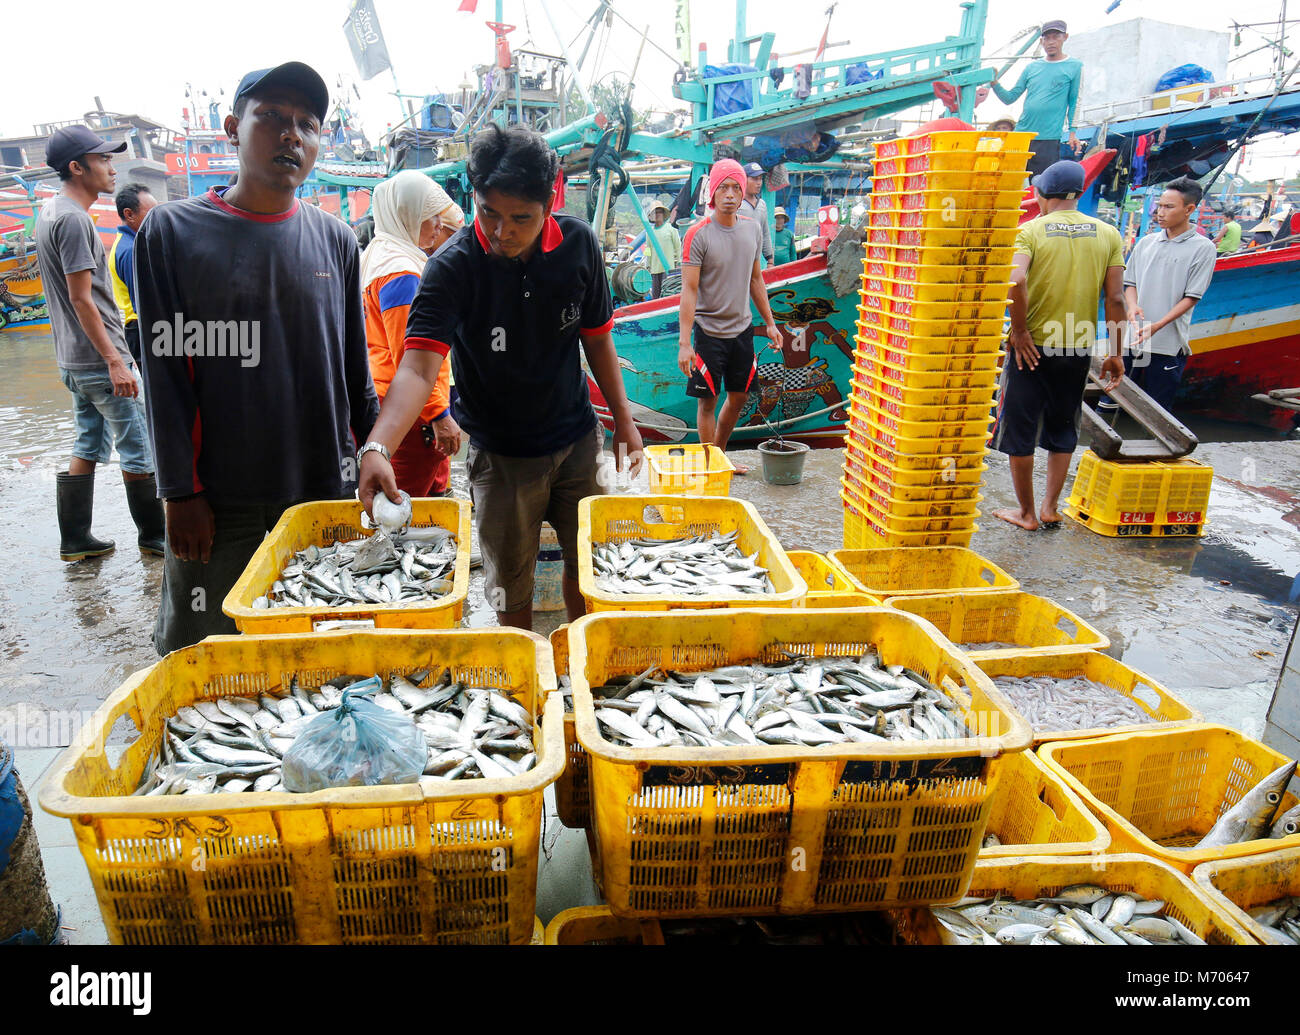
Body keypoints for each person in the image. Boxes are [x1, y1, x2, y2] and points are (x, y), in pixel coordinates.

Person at [356, 123, 644, 631]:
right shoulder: (451, 268)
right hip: (502, 458)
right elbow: (419, 366)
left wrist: (623, 419)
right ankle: (524, 680)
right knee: (511, 587)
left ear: (549, 205)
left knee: (591, 571)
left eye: (521, 219)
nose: (501, 231)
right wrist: (377, 447)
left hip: (577, 440)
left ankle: (581, 664)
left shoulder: (578, 246)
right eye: (489, 212)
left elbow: (597, 337)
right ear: (474, 198)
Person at [135, 61, 379, 655]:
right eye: (270, 117)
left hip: (321, 483)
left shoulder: (336, 239)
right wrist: (179, 492)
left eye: (307, 124)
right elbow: (165, 377)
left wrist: (373, 450)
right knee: (203, 644)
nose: (291, 134)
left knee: (314, 639)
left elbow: (353, 367)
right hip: (222, 497)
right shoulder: (172, 233)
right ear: (232, 128)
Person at [34, 126, 166, 563]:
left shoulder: (51, 211)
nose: (112, 168)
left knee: (87, 444)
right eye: (104, 160)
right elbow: (80, 297)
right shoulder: (73, 220)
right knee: (137, 444)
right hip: (98, 359)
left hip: (72, 359)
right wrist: (115, 360)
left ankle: (75, 540)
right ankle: (154, 535)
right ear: (77, 167)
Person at [991, 160, 1125, 531]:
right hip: (1076, 348)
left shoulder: (1029, 231)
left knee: (1020, 430)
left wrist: (1018, 331)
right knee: (1064, 427)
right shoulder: (1108, 234)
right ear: (1079, 194)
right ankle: (1050, 508)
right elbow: (1116, 299)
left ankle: (1027, 513)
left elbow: (1015, 281)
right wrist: (1115, 352)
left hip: (1031, 349)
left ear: (1040, 195)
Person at [677, 158, 785, 474]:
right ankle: (710, 467)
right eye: (723, 186)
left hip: (742, 331)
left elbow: (755, 280)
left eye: (736, 187)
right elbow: (689, 291)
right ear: (713, 191)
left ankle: (720, 458)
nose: (729, 193)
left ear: (742, 193)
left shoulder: (751, 230)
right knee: (707, 402)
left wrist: (770, 323)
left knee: (738, 397)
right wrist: (685, 343)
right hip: (708, 332)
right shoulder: (697, 235)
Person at [361, 171, 464, 497]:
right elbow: (410, 358)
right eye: (429, 215)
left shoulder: (379, 254)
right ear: (406, 214)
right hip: (410, 413)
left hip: (391, 401)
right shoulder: (401, 272)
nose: (437, 223)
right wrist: (439, 414)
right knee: (407, 507)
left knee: (426, 502)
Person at [1119, 177, 1218, 413]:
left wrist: (1158, 325)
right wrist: (1132, 306)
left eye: (1168, 207)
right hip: (1131, 340)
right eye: (1160, 206)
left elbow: (1191, 297)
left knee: (1157, 413)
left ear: (1189, 209)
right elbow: (1129, 283)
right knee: (1113, 404)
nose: (1160, 213)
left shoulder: (1203, 248)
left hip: (1167, 344)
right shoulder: (1146, 243)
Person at [989, 20, 1083, 176]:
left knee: (1041, 187)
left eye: (1055, 37)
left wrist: (1073, 133)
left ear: (1065, 37)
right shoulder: (1032, 67)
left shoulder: (1075, 66)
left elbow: (1074, 101)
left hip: (1048, 138)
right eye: (1047, 38)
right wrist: (994, 83)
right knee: (1009, 181)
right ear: (1041, 41)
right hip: (1021, 136)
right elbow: (1009, 98)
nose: (1051, 42)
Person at [108, 183, 157, 367]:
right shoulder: (130, 250)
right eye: (151, 213)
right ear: (129, 214)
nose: (156, 218)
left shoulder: (128, 243)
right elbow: (142, 303)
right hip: (142, 329)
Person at [645, 201, 681, 299]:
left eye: (659, 212)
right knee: (656, 296)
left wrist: (679, 262)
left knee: (668, 294)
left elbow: (678, 247)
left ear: (663, 214)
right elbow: (647, 249)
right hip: (654, 269)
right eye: (655, 213)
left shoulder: (671, 229)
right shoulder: (649, 232)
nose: (657, 215)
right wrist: (647, 265)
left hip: (668, 268)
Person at [741, 161, 774, 266]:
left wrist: (770, 259)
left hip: (755, 261)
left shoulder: (762, 205)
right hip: (736, 259)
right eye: (755, 179)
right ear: (744, 179)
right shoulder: (736, 203)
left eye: (760, 179)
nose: (759, 183)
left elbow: (765, 233)